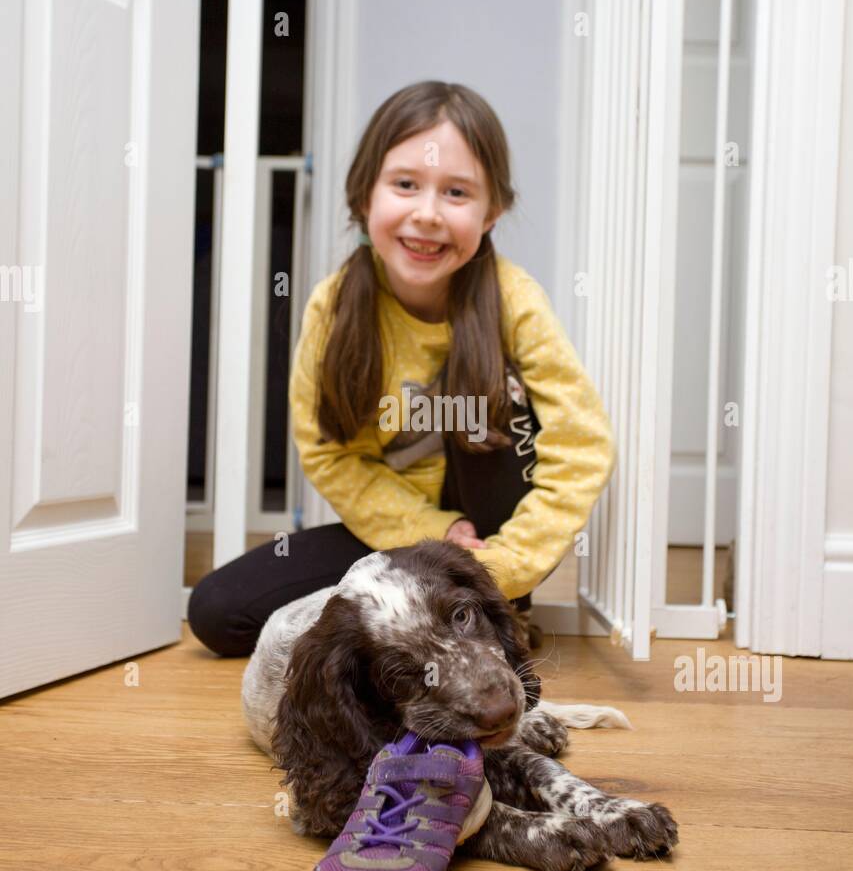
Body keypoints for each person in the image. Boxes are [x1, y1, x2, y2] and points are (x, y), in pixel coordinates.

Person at [187, 80, 616, 659]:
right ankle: (432, 616)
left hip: (492, 538)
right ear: (365, 194)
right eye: (406, 185)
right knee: (217, 612)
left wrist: (510, 563)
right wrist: (430, 530)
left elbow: (581, 443)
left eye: (457, 192)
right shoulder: (335, 305)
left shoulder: (513, 299)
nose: (428, 214)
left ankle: (478, 604)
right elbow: (331, 453)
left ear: (494, 212)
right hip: (401, 531)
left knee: (489, 398)